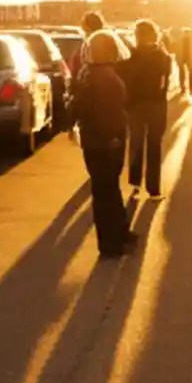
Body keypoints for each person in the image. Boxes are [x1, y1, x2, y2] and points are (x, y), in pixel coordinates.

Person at [70, 30, 137, 258]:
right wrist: (112, 137)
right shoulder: (103, 77)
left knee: (106, 189)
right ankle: (111, 243)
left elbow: (81, 107)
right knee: (105, 190)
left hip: (99, 139)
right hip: (106, 140)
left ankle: (119, 233)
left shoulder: (90, 74)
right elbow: (103, 111)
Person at [125, 19, 171, 199]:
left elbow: (126, 80)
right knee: (154, 145)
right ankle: (153, 189)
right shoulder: (162, 56)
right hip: (156, 104)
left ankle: (135, 184)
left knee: (136, 143)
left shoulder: (131, 55)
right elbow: (164, 82)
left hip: (135, 105)